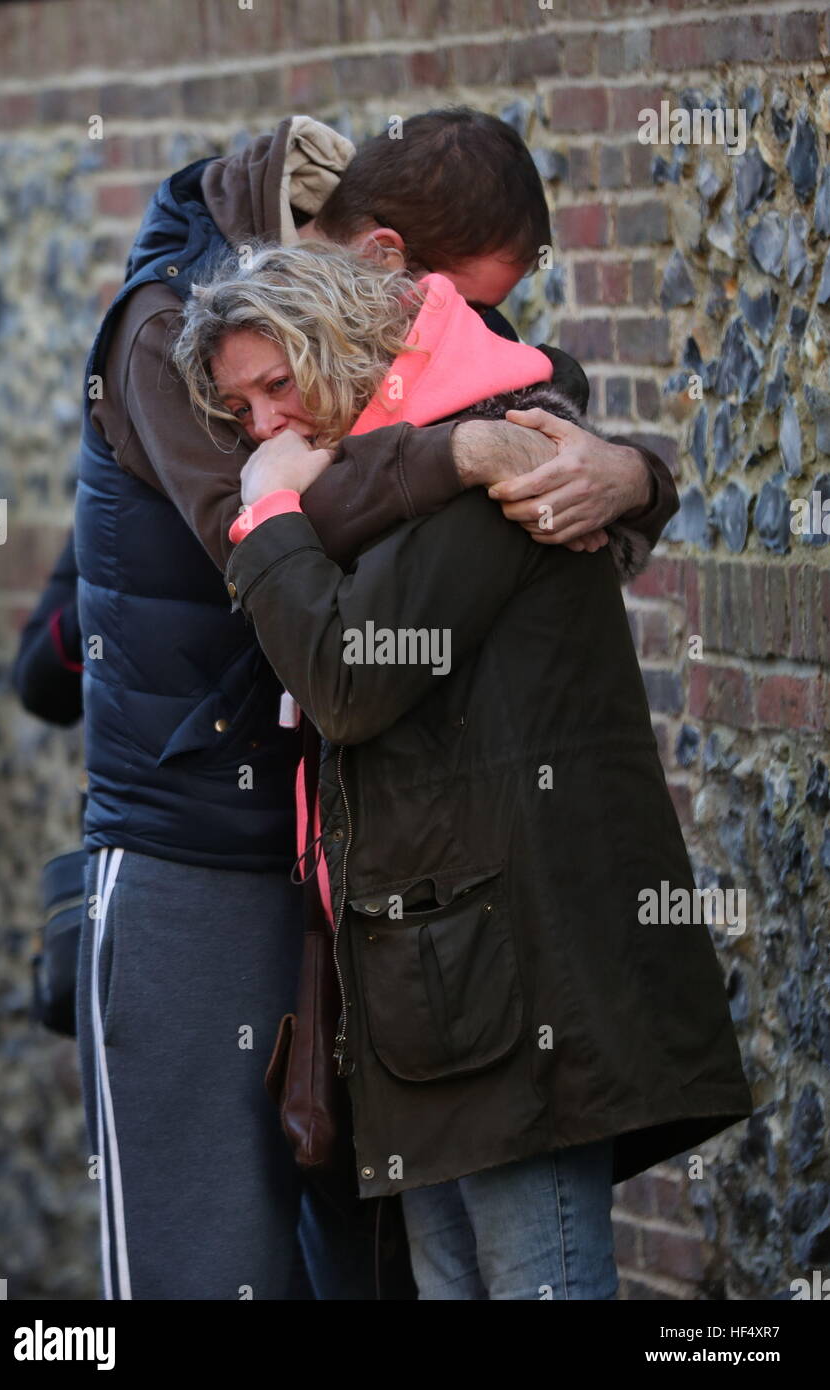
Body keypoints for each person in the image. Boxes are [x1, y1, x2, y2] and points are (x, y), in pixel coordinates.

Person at [74, 108, 679, 1300]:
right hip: (204, 849)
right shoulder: (172, 334)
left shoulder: (397, 335)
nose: (458, 331)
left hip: (401, 890)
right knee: (212, 1269)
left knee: (409, 1268)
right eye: (248, 403)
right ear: (385, 265)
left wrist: (631, 471)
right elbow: (263, 522)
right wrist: (456, 458)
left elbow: (527, 385)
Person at [174, 240, 754, 1301]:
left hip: (509, 977)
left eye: (275, 384)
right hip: (431, 986)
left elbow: (349, 675)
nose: (264, 426)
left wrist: (266, 516)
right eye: (240, 408)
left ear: (338, 345)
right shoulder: (401, 459)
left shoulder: (481, 452)